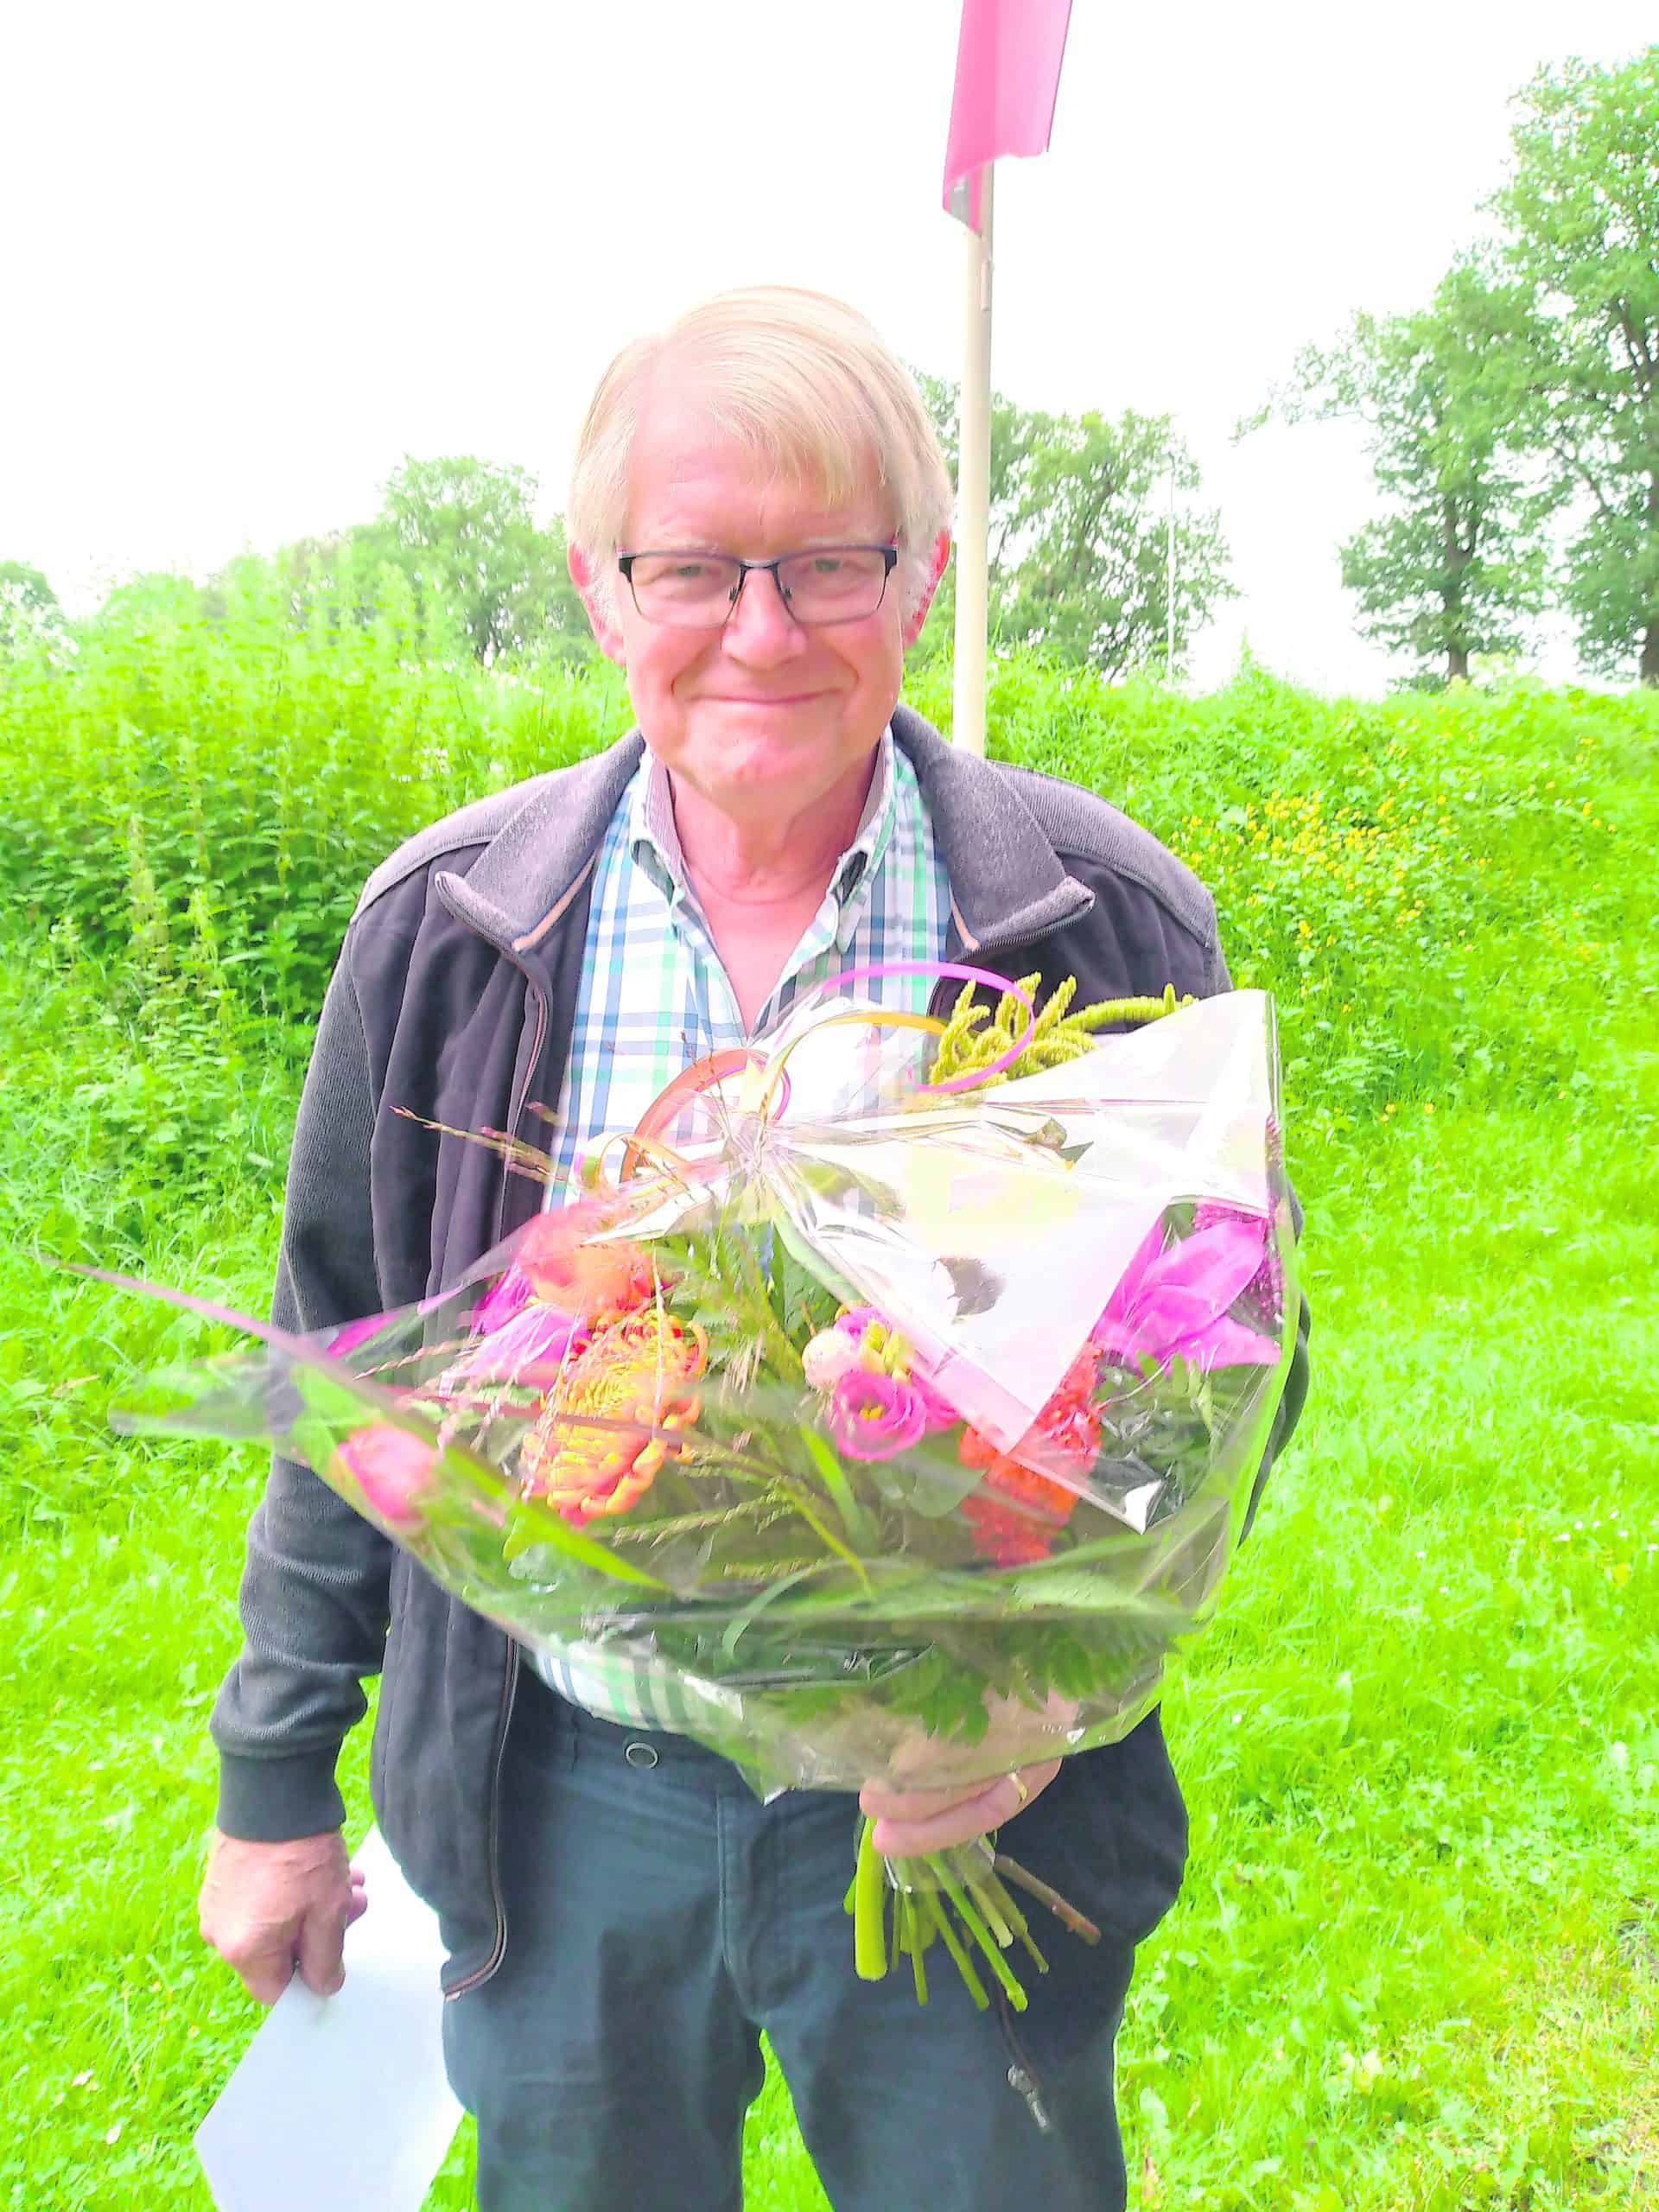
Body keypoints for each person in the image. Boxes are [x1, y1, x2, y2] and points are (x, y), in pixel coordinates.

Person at [199, 286, 1310, 2211]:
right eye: (697, 567)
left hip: (966, 1798)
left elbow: (1231, 1358)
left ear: (924, 574)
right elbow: (347, 1367)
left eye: (830, 564)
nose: (764, 630)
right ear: (599, 587)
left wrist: (1032, 1703)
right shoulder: (450, 929)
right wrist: (274, 1781)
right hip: (564, 1800)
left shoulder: (1096, 916)